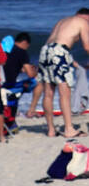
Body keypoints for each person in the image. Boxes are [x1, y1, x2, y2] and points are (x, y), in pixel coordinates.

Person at [37, 10, 89, 139]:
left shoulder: (62, 21)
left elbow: (56, 42)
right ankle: (69, 129)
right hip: (60, 51)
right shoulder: (83, 22)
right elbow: (87, 46)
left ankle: (51, 130)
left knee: (48, 93)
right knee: (64, 92)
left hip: (45, 50)